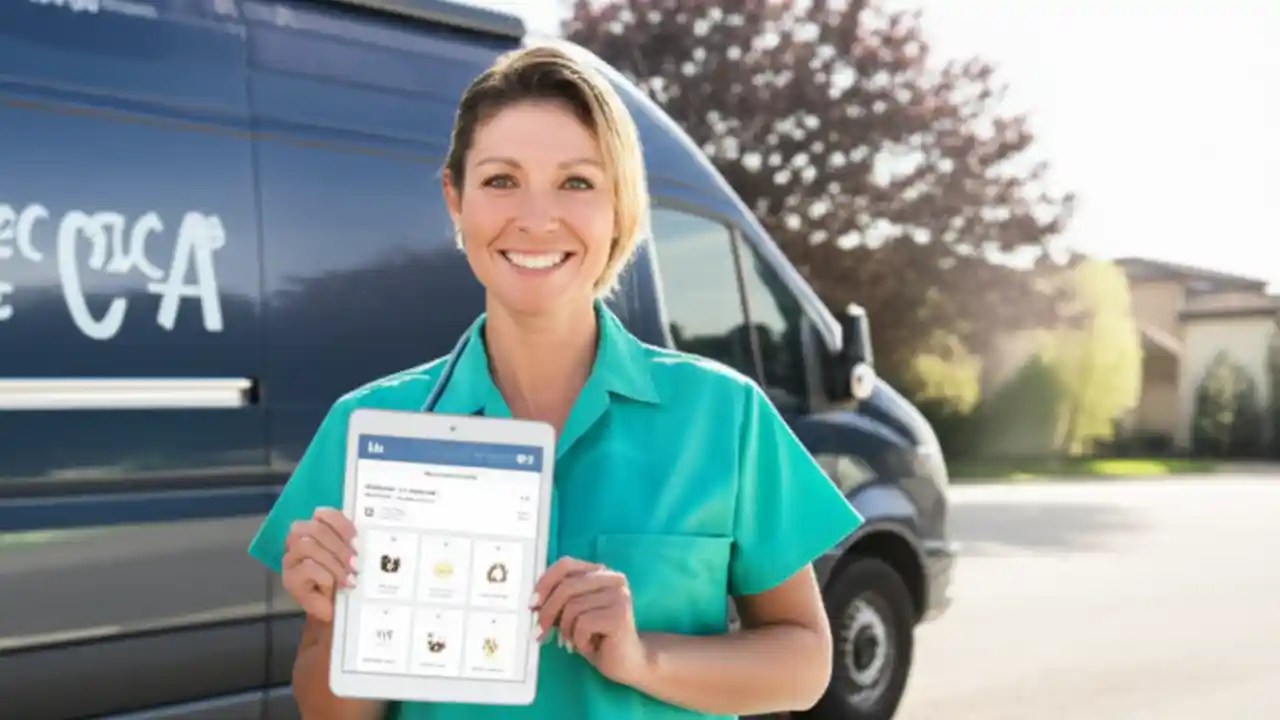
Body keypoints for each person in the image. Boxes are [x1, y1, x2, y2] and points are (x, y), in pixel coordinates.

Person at [246, 43, 865, 720]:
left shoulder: (726, 416)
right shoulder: (369, 428)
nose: (536, 218)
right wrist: (336, 618)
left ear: (622, 207)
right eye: (501, 180)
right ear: (455, 200)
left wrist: (642, 657)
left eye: (576, 182)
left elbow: (803, 665)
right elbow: (329, 713)